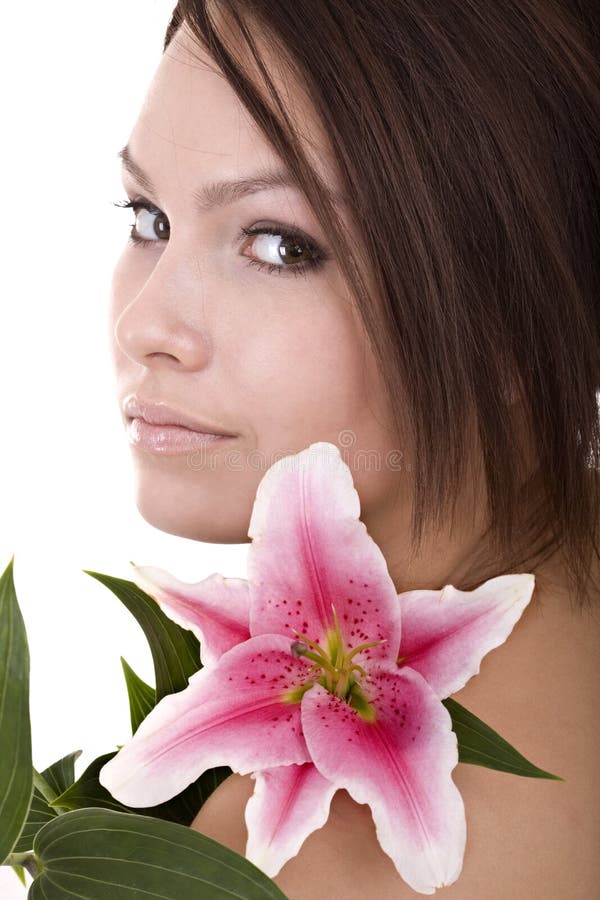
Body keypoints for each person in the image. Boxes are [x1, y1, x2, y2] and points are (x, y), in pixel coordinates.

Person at [109, 2, 600, 896]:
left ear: (518, 320)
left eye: (280, 243)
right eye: (147, 218)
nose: (146, 327)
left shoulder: (285, 871)